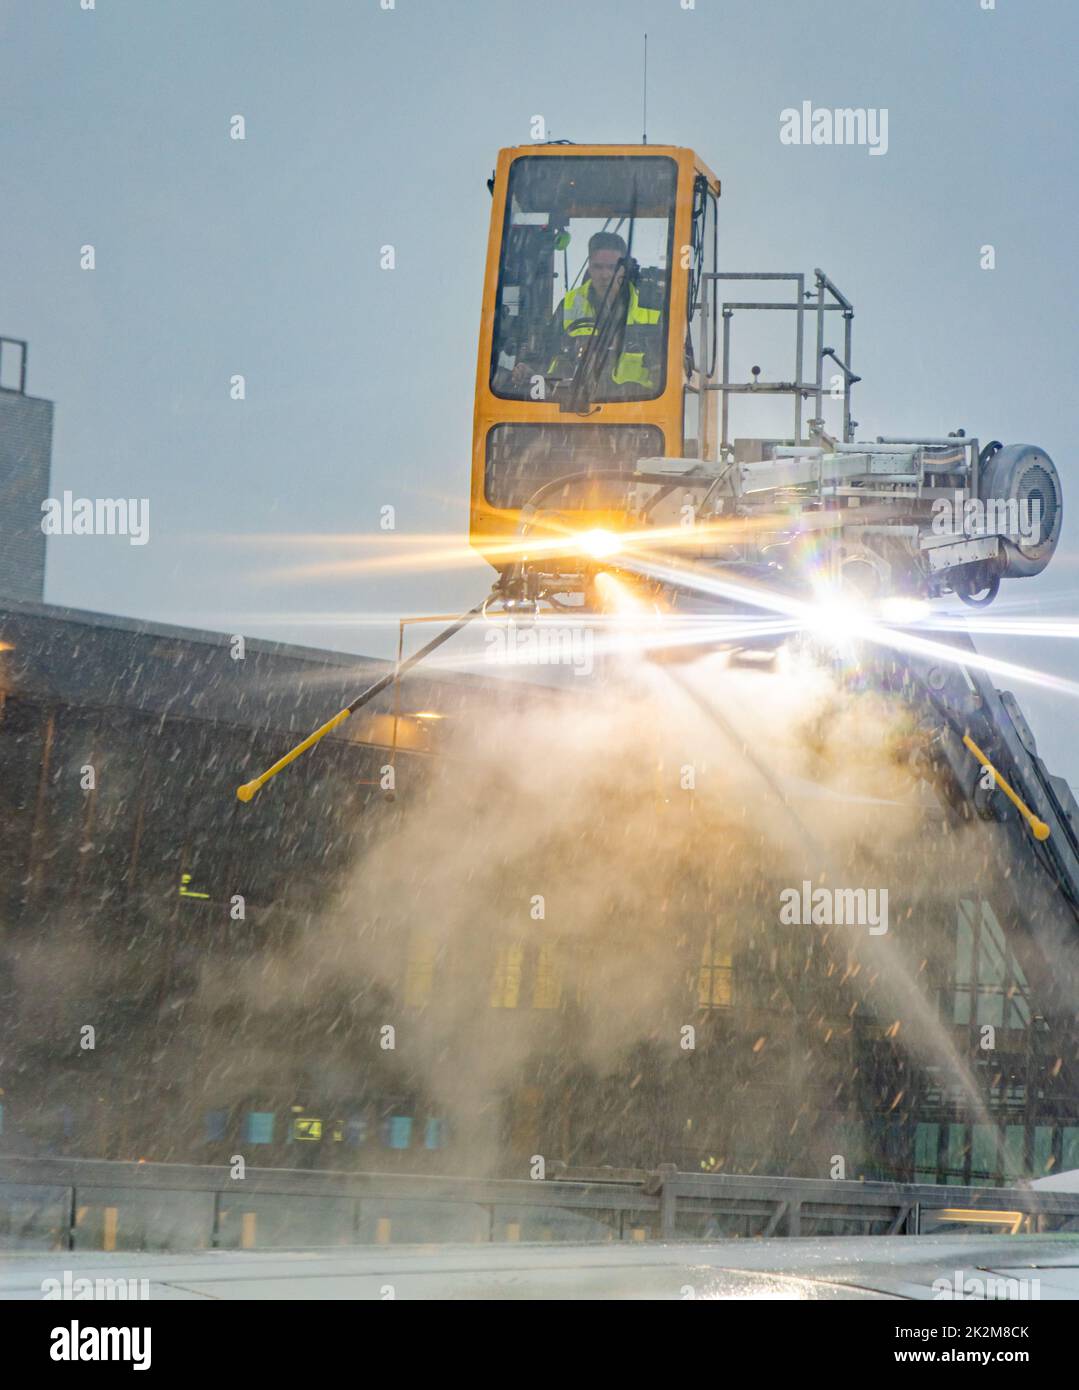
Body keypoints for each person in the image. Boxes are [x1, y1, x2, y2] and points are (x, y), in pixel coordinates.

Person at [511, 232, 662, 395]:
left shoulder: (652, 308)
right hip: (576, 407)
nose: (605, 275)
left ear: (624, 269)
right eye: (598, 267)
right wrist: (529, 369)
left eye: (612, 267)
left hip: (637, 409)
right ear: (589, 266)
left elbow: (670, 366)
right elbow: (547, 351)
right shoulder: (570, 304)